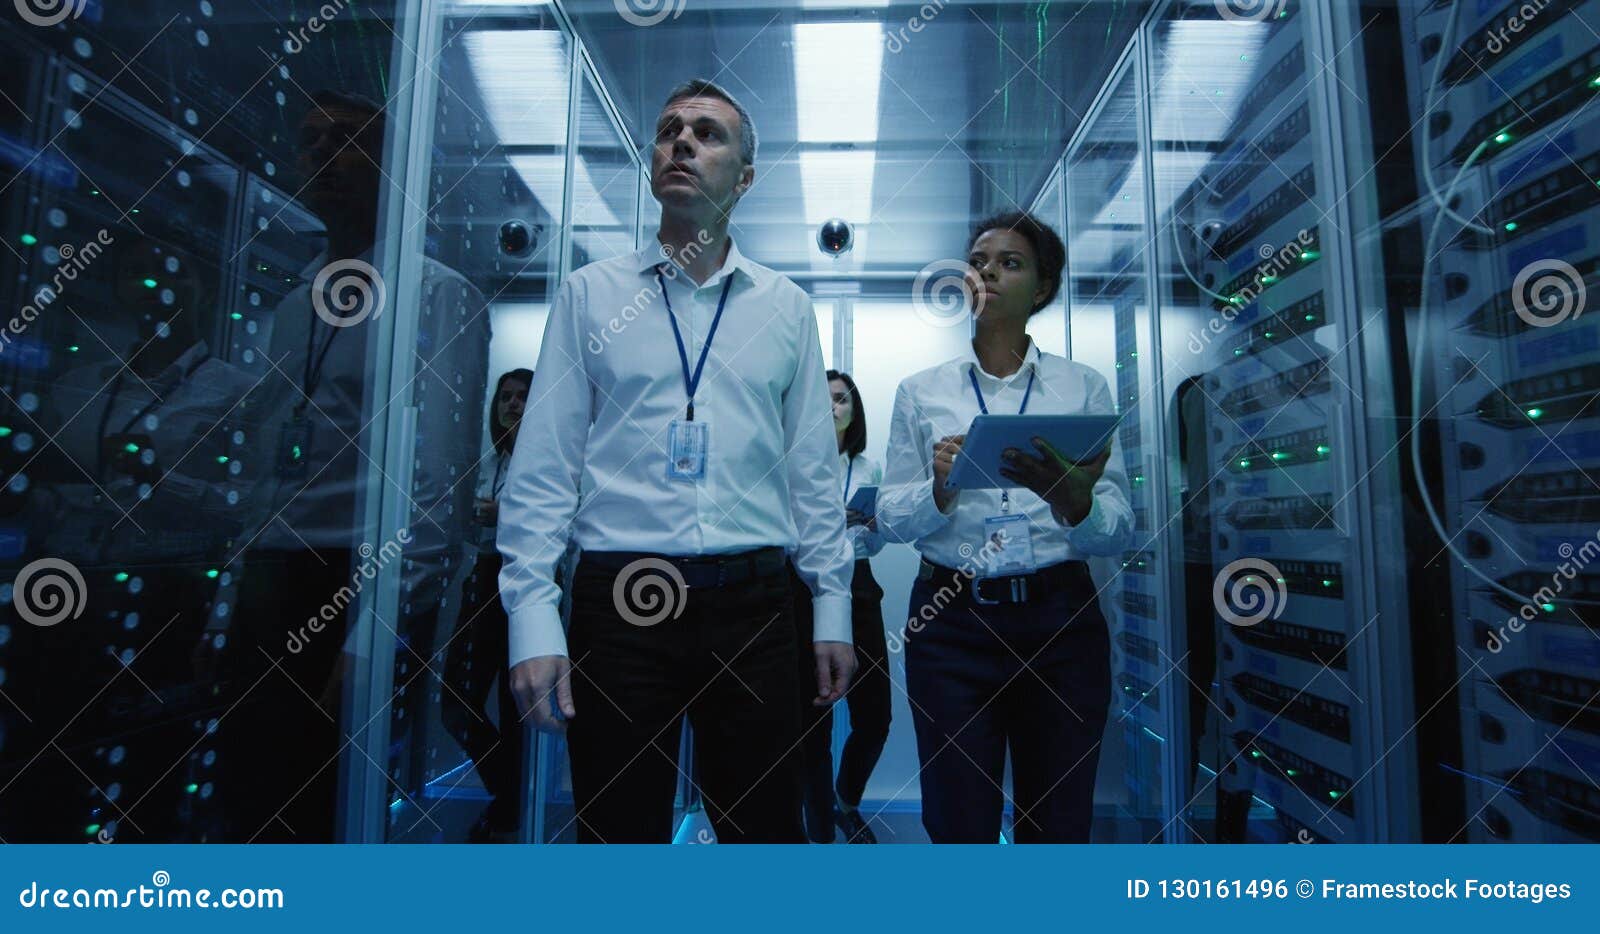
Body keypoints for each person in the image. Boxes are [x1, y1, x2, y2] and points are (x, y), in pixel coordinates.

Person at [498, 78, 856, 844]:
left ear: (746, 178)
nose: (682, 143)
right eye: (668, 130)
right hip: (620, 604)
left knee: (766, 835)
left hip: (756, 605)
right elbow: (542, 469)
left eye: (707, 133)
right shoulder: (590, 296)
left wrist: (832, 604)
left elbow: (813, 478)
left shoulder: (785, 306)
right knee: (618, 834)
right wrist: (531, 616)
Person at [878, 211, 1133, 843]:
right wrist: (938, 490)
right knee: (958, 817)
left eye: (1009, 262)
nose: (987, 270)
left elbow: (1119, 528)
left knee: (1058, 822)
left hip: (1062, 622)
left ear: (1041, 289)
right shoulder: (921, 392)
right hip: (952, 620)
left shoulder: (1082, 386)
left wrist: (1077, 504)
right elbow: (888, 514)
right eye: (979, 259)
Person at [792, 370, 892, 843]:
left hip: (860, 587)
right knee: (813, 718)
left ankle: (845, 800)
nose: (832, 407)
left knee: (875, 717)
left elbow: (879, 542)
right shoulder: (792, 463)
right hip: (804, 591)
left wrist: (871, 523)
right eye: (823, 398)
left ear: (854, 413)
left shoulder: (868, 468)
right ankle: (817, 826)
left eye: (841, 400)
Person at [442, 368, 531, 843]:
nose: (512, 404)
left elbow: (570, 517)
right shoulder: (491, 461)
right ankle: (509, 792)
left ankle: (511, 807)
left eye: (522, 397)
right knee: (455, 700)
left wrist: (506, 514)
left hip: (524, 582)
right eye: (505, 397)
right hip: (482, 577)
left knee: (515, 705)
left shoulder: (545, 462)